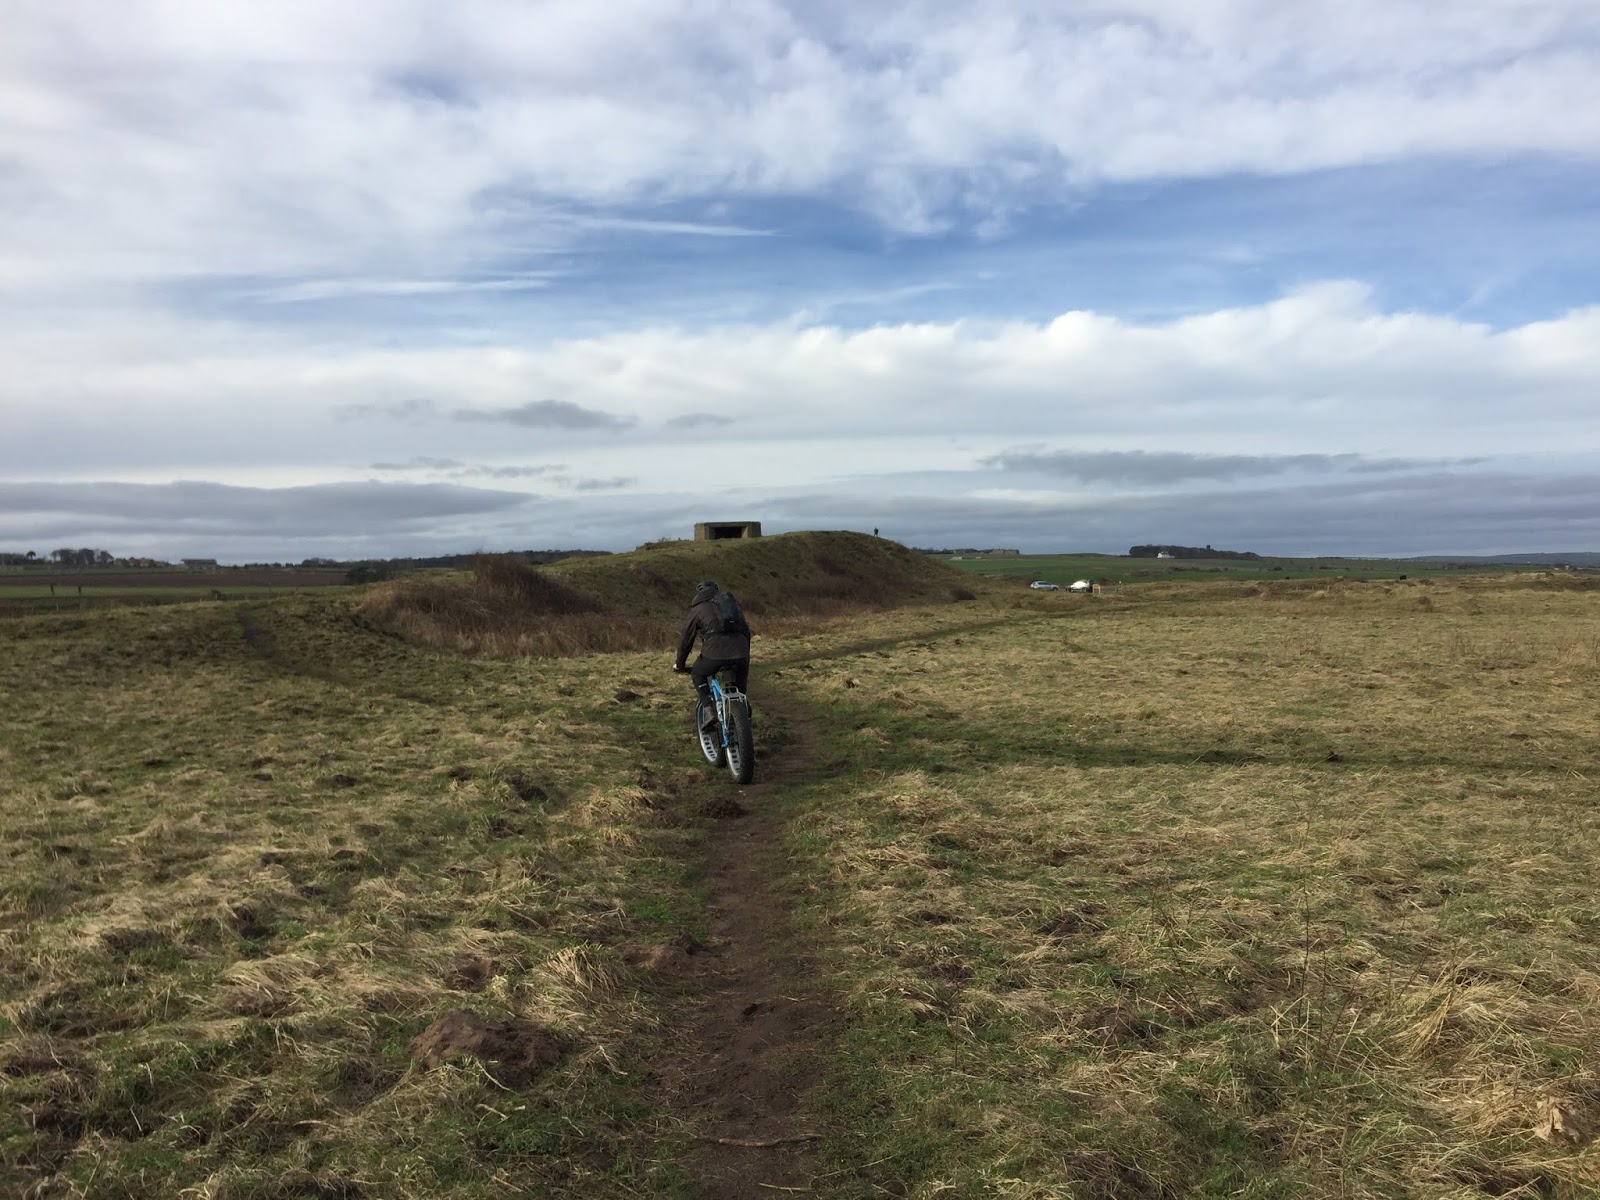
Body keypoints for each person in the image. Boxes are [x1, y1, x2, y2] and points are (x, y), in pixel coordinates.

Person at [673, 579, 751, 729]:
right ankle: (743, 706)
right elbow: (746, 631)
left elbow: (685, 640)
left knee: (697, 673)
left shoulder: (698, 609)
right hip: (741, 651)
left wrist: (680, 664)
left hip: (714, 653)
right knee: (740, 686)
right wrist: (745, 654)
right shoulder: (731, 605)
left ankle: (709, 709)